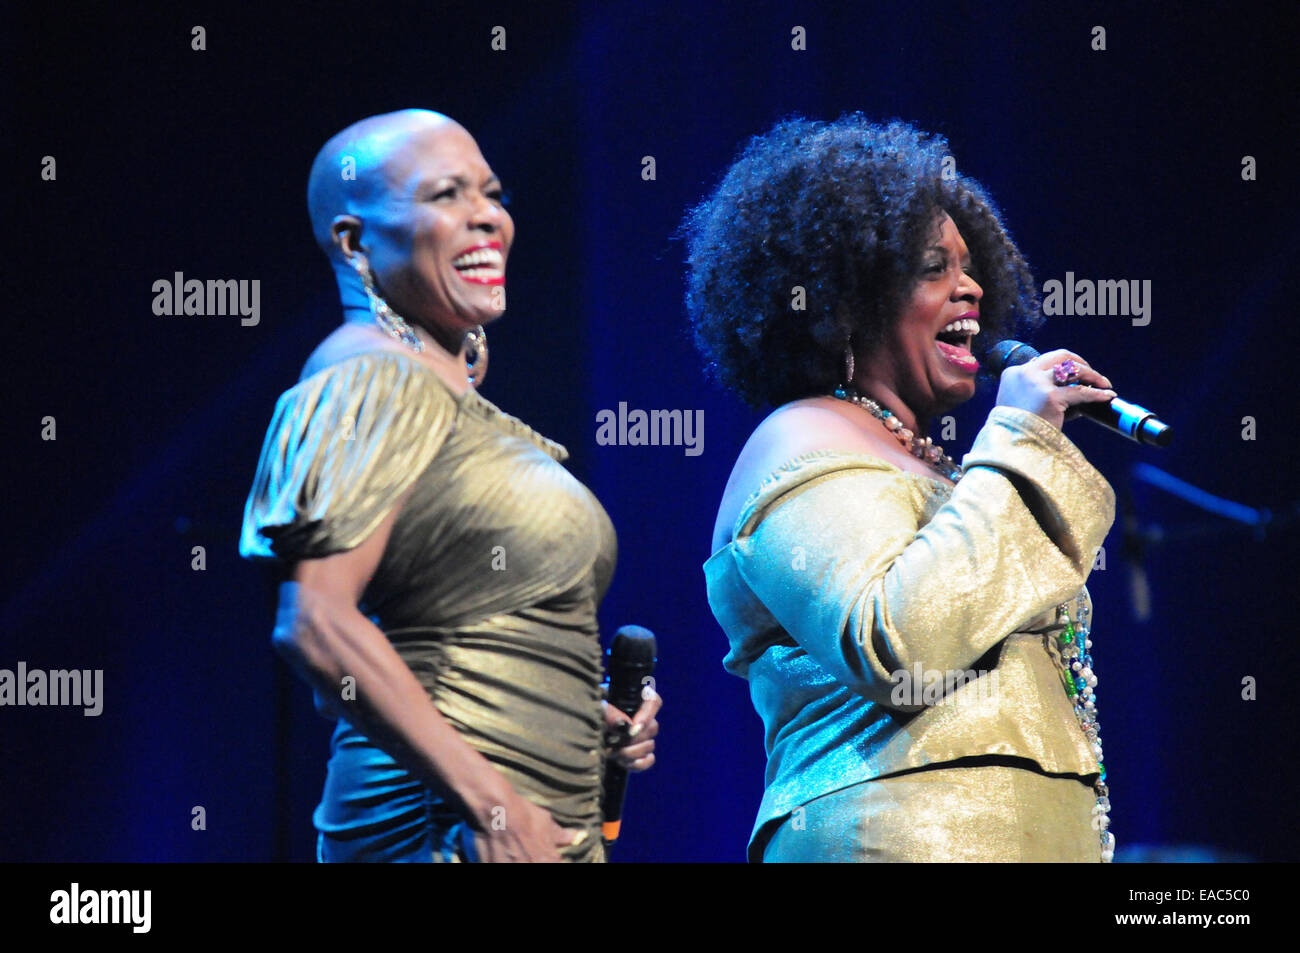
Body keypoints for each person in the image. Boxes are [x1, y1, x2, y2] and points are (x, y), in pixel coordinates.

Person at [684, 115, 1117, 862]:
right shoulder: (800, 437)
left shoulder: (945, 469)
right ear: (842, 302)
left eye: (971, 265)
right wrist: (1018, 433)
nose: (972, 287)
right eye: (932, 268)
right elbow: (902, 647)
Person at [239, 109, 660, 862]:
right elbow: (316, 626)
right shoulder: (366, 373)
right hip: (447, 829)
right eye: (445, 196)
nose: (487, 218)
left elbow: (446, 632)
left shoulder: (464, 411)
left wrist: (565, 711)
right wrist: (489, 798)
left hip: (536, 824)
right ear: (354, 239)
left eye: (491, 193)